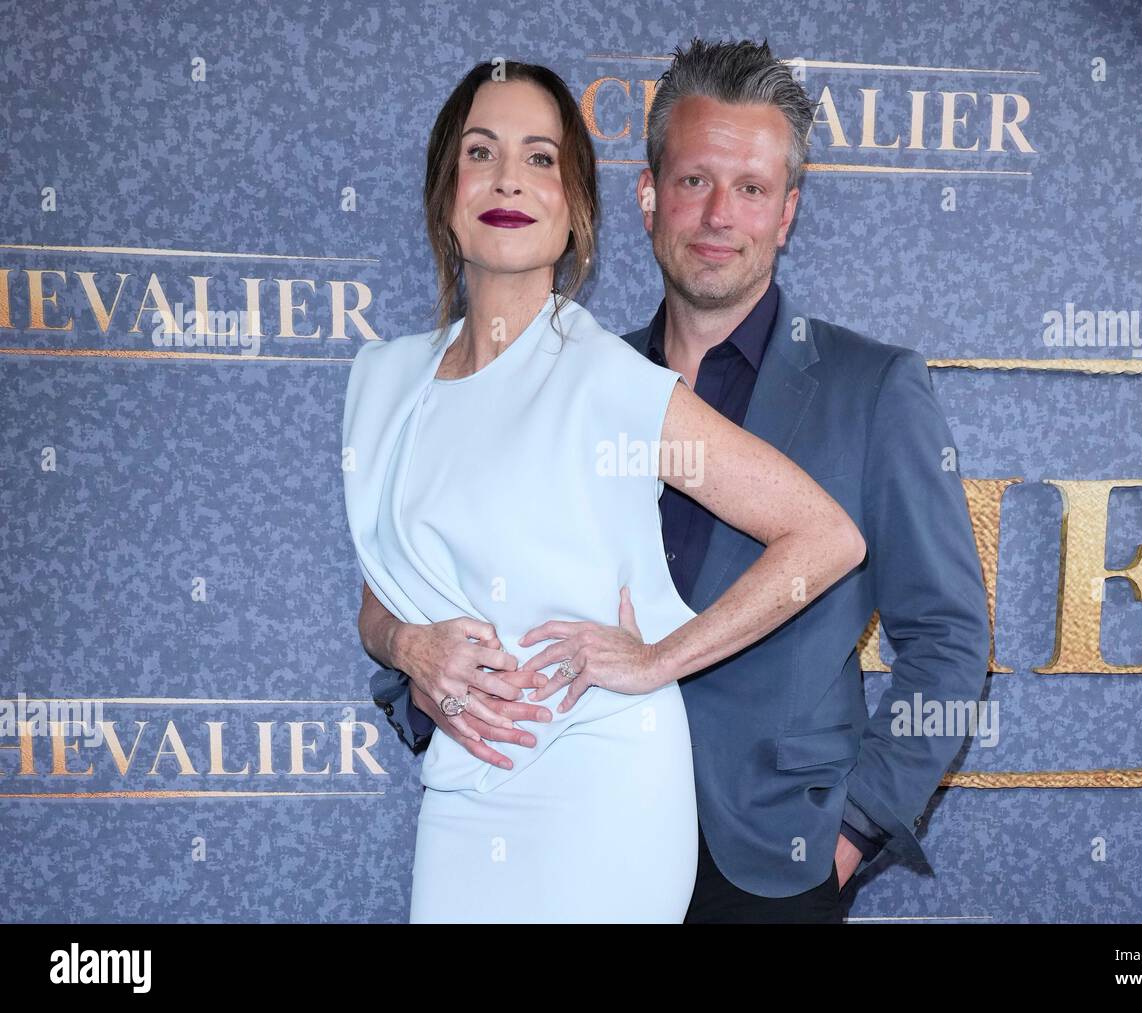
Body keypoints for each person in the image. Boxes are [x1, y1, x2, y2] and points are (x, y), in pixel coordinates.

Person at [370, 39, 991, 924]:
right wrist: (423, 682)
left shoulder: (873, 389)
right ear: (649, 194)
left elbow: (950, 638)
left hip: (765, 867)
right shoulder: (566, 380)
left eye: (752, 189)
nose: (719, 216)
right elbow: (418, 575)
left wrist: (851, 831)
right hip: (568, 834)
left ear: (788, 212)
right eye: (696, 180)